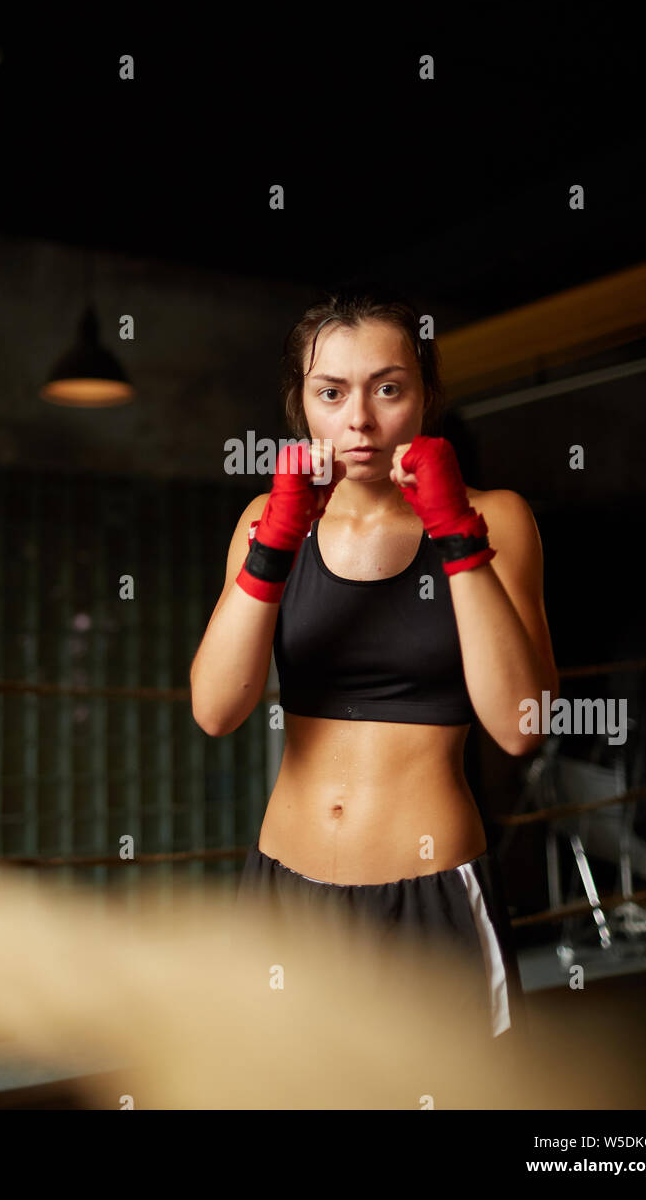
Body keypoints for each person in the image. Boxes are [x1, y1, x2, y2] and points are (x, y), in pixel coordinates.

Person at [190, 288, 559, 1053]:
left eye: (388, 388)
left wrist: (457, 537)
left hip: (431, 897)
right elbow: (216, 710)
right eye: (332, 393)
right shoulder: (266, 517)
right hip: (284, 888)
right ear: (302, 405)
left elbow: (522, 730)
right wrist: (273, 547)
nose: (359, 419)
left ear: (427, 397)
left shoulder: (499, 516)